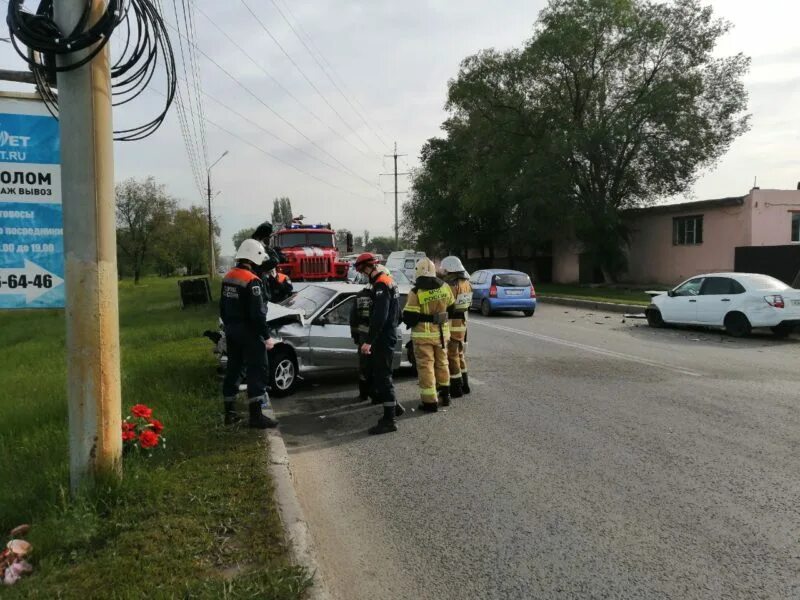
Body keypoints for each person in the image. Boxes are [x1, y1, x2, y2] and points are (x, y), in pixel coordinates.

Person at [220, 239, 277, 429]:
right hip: (250, 332)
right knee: (258, 369)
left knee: (234, 369)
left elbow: (222, 308)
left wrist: (229, 326)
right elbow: (257, 313)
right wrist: (267, 336)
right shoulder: (252, 280)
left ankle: (230, 414)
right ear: (255, 257)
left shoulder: (228, 277)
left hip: (232, 330)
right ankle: (256, 416)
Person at [353, 252, 404, 435]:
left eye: (361, 270)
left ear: (368, 267)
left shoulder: (381, 284)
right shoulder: (388, 281)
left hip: (382, 338)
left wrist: (369, 341)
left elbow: (379, 316)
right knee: (381, 374)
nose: (362, 274)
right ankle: (394, 407)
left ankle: (389, 420)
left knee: (383, 377)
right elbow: (398, 314)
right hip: (386, 335)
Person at [402, 258, 455, 412]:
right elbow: (452, 309)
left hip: (423, 336)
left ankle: (429, 402)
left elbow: (410, 317)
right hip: (442, 334)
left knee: (426, 367)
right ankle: (446, 396)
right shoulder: (444, 287)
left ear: (417, 271)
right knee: (442, 363)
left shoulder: (416, 291)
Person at [439, 256, 473, 398]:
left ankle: (456, 388)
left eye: (445, 270)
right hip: (462, 323)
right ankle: (465, 385)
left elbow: (447, 305)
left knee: (452, 355)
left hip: (452, 323)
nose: (444, 273)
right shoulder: (466, 283)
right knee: (459, 354)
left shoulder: (452, 285)